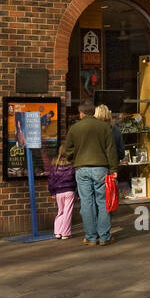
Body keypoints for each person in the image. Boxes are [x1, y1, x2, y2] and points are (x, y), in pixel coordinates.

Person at [63, 101, 118, 246]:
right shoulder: (104, 127)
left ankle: (91, 237)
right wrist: (114, 169)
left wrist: (74, 158)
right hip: (101, 168)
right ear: (93, 112)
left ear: (81, 113)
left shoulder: (74, 128)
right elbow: (110, 150)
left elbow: (67, 149)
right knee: (103, 202)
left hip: (82, 169)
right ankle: (104, 237)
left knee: (87, 203)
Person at [47, 146, 77, 240]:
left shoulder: (54, 165)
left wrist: (52, 192)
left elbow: (51, 180)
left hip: (58, 192)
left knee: (60, 211)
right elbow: (76, 179)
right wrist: (79, 193)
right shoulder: (72, 164)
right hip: (69, 191)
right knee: (67, 212)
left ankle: (57, 232)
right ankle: (65, 233)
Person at [94, 104, 125, 168]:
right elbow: (121, 153)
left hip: (94, 165)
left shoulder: (92, 130)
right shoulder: (115, 130)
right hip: (111, 166)